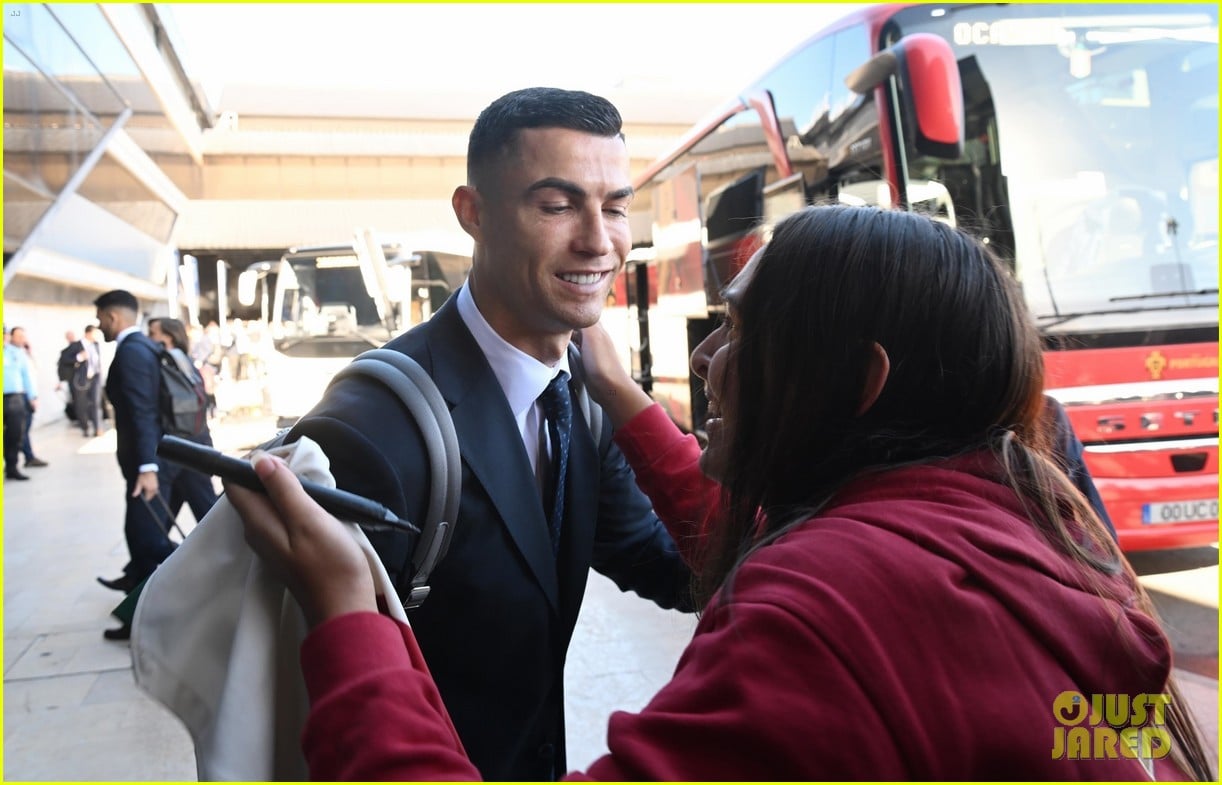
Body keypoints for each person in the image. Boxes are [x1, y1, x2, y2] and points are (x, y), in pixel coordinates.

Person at [227, 205, 1213, 780]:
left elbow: (832, 607)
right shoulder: (1029, 499)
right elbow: (1066, 713)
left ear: (859, 384)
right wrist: (618, 396)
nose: (705, 358)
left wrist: (349, 616)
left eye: (740, 335)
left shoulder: (822, 619)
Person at [269, 87, 692, 780]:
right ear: (473, 214)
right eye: (557, 206)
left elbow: (671, 565)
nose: (598, 239)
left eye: (615, 206)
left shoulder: (583, 397)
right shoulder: (374, 424)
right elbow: (341, 684)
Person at [93, 291, 215, 640]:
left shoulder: (133, 352)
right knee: (155, 535)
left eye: (101, 318)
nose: (99, 324)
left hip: (156, 464)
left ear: (113, 317)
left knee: (145, 540)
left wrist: (148, 467)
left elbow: (141, 412)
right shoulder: (151, 349)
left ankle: (150, 616)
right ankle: (150, 603)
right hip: (176, 456)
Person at [147, 317, 219, 525]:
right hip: (195, 447)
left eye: (153, 333)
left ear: (168, 337)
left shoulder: (166, 364)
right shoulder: (186, 363)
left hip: (180, 450)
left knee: (208, 519)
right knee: (204, 516)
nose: (148, 339)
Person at [9, 327, 48, 468]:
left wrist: (30, 352)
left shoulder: (24, 353)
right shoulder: (8, 353)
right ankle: (26, 456)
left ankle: (27, 455)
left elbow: (33, 372)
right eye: (18, 336)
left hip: (27, 395)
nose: (22, 339)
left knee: (24, 428)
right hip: (17, 396)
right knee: (20, 430)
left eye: (23, 336)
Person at [59, 326, 105, 437]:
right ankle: (85, 427)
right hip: (80, 380)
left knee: (95, 403)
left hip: (95, 377)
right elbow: (64, 359)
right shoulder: (76, 345)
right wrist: (79, 357)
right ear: (88, 333)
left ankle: (97, 427)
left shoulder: (96, 345)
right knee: (81, 405)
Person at [3, 326, 36, 480]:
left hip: (14, 398)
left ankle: (11, 467)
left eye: (5, 334)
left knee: (15, 434)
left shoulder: (16, 353)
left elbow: (26, 375)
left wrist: (32, 396)